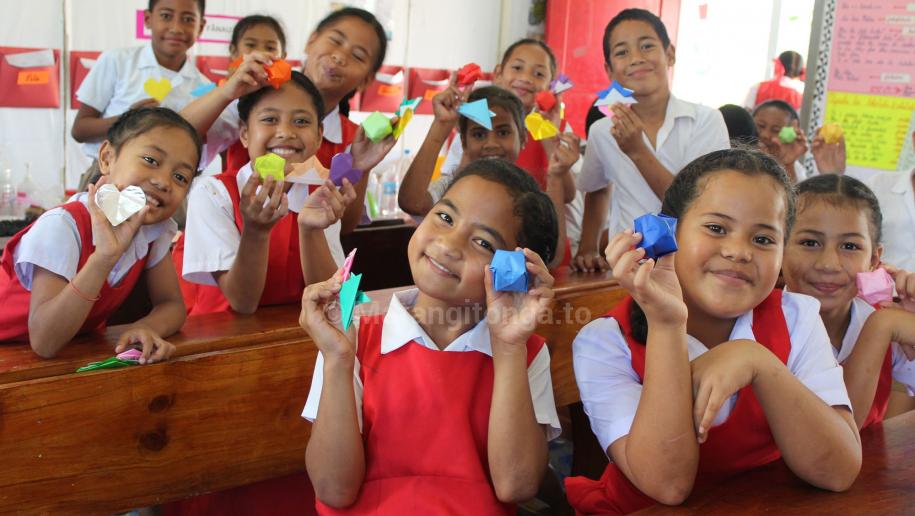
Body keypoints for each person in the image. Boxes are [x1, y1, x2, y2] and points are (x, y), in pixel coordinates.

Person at [568, 148, 861, 514]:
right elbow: (667, 485)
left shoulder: (795, 316)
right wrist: (666, 325)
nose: (739, 252)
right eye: (717, 228)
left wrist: (757, 362)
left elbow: (838, 471)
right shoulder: (605, 341)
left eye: (763, 239)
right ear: (668, 232)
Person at [302, 159, 563, 514]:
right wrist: (336, 359)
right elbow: (334, 489)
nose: (449, 244)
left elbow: (516, 484)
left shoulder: (524, 352)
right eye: (445, 218)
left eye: (483, 242)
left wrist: (509, 348)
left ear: (516, 274)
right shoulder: (351, 337)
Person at [178, 72, 392, 315]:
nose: (285, 132)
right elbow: (243, 302)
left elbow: (333, 300)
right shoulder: (213, 193)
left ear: (319, 135)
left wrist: (311, 230)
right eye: (269, 119)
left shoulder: (321, 194)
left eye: (301, 122)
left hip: (295, 337)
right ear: (245, 134)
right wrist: (256, 232)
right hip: (223, 341)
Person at [1, 108, 202, 363]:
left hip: (68, 353)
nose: (163, 181)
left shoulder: (154, 231)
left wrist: (145, 328)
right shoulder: (63, 226)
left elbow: (172, 305)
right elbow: (44, 341)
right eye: (151, 160)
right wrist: (103, 257)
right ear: (107, 157)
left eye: (180, 177)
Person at [180, 7, 390, 234]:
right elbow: (176, 140)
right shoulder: (252, 99)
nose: (339, 56)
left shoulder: (357, 141)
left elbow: (343, 228)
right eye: (335, 40)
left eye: (357, 56)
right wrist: (227, 93)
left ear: (367, 79)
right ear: (311, 41)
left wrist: (362, 168)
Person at [573, 8, 729, 272]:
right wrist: (587, 247)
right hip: (625, 268)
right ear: (609, 70)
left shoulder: (705, 121)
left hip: (690, 264)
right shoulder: (602, 131)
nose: (636, 58)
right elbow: (597, 189)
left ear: (670, 54)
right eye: (622, 52)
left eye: (646, 46)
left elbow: (697, 205)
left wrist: (638, 151)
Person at [782, 174, 915, 429]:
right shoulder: (753, 324)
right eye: (810, 242)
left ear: (875, 260)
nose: (829, 264)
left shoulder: (883, 313)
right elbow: (834, 441)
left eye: (850, 246)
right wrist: (882, 327)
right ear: (779, 245)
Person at [398, 84, 578, 267]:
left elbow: (551, 256)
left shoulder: (526, 196)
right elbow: (412, 202)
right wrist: (441, 125)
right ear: (464, 142)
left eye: (503, 132)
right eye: (479, 134)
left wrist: (556, 176)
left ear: (523, 138)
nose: (491, 143)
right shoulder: (452, 187)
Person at [72, 0, 210, 189]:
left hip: (167, 185)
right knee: (96, 219)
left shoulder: (205, 88)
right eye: (166, 16)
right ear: (147, 19)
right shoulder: (117, 61)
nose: (176, 28)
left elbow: (200, 154)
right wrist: (128, 120)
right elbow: (80, 130)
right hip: (107, 176)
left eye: (187, 19)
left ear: (201, 27)